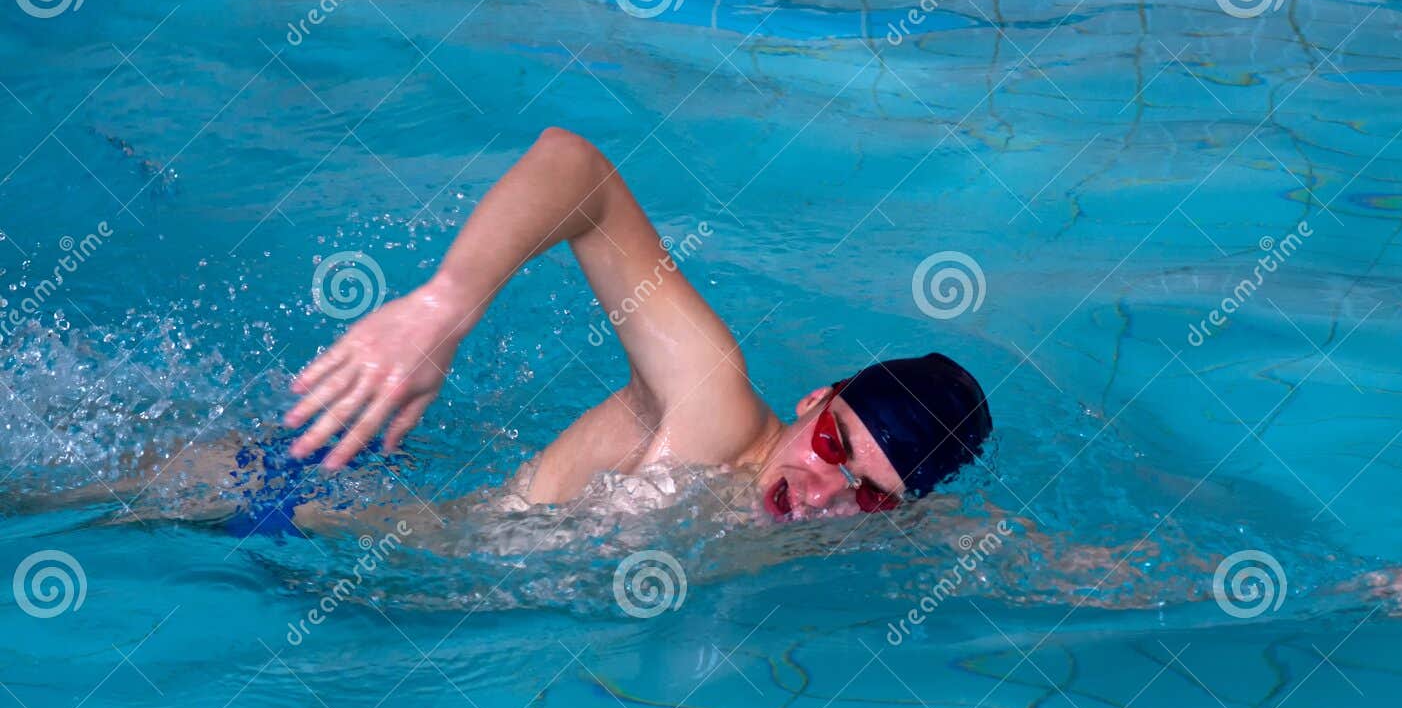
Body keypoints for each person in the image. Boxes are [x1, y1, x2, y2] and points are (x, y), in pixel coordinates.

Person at [282, 127, 991, 523]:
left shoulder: (852, 530)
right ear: (815, 400)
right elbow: (576, 170)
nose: (822, 490)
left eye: (866, 493)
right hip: (305, 506)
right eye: (834, 445)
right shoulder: (710, 403)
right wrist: (443, 308)